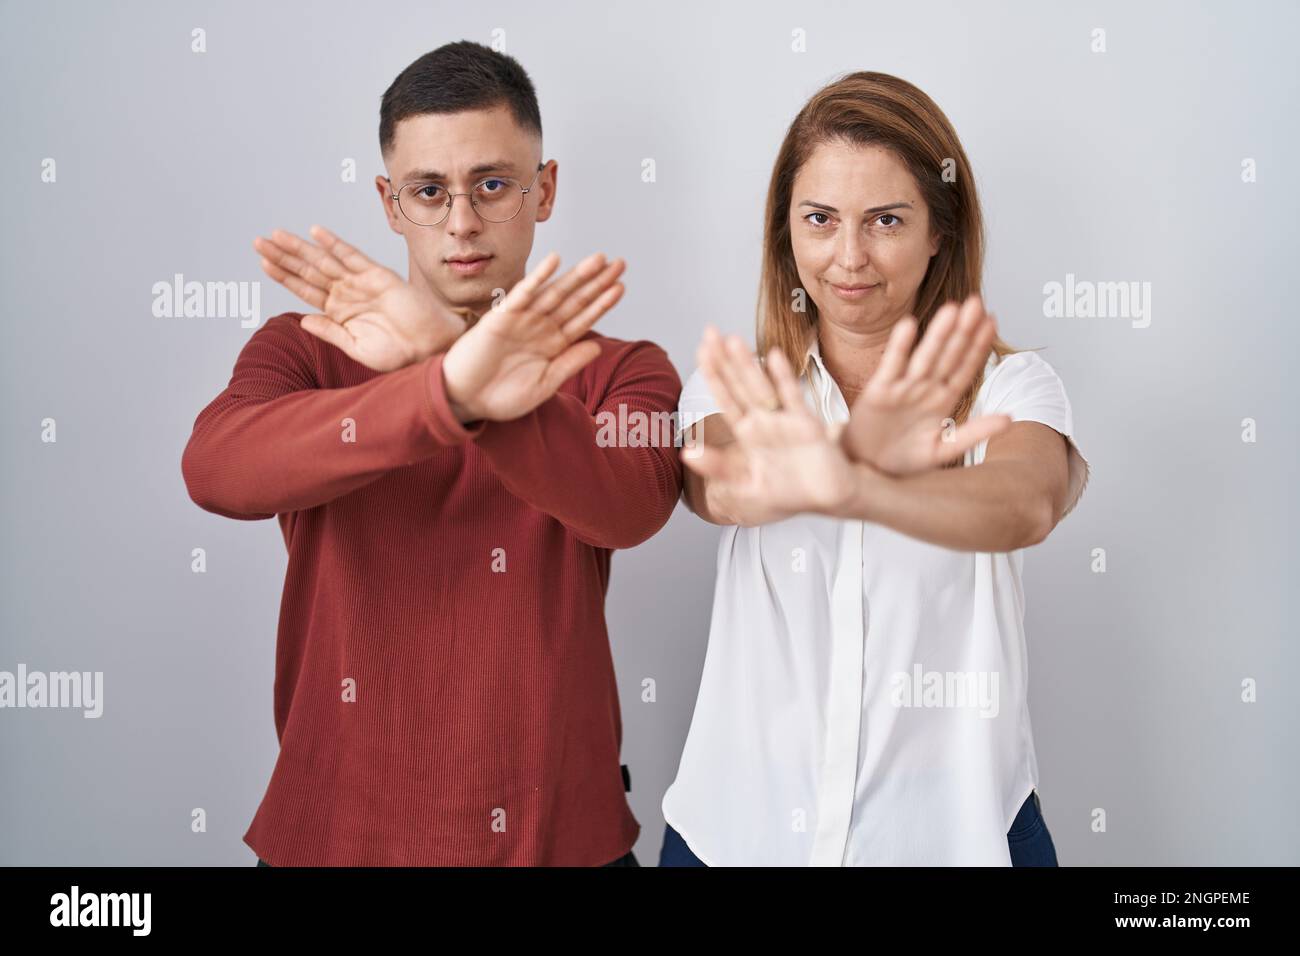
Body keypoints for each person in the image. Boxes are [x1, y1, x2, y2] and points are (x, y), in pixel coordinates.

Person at [181, 41, 682, 866]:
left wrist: (445, 371)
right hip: (339, 836)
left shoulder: (623, 370)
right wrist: (441, 390)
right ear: (389, 202)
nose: (461, 222)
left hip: (559, 842)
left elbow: (628, 507)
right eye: (428, 191)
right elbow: (214, 470)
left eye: (493, 184)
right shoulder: (305, 347)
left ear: (543, 189)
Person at [660, 71, 1090, 866]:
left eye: (886, 220)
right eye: (820, 219)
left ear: (939, 232)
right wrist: (849, 459)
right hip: (738, 832)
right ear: (785, 229)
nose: (848, 256)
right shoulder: (735, 381)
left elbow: (1027, 503)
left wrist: (859, 486)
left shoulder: (1014, 385)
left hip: (955, 834)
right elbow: (717, 486)